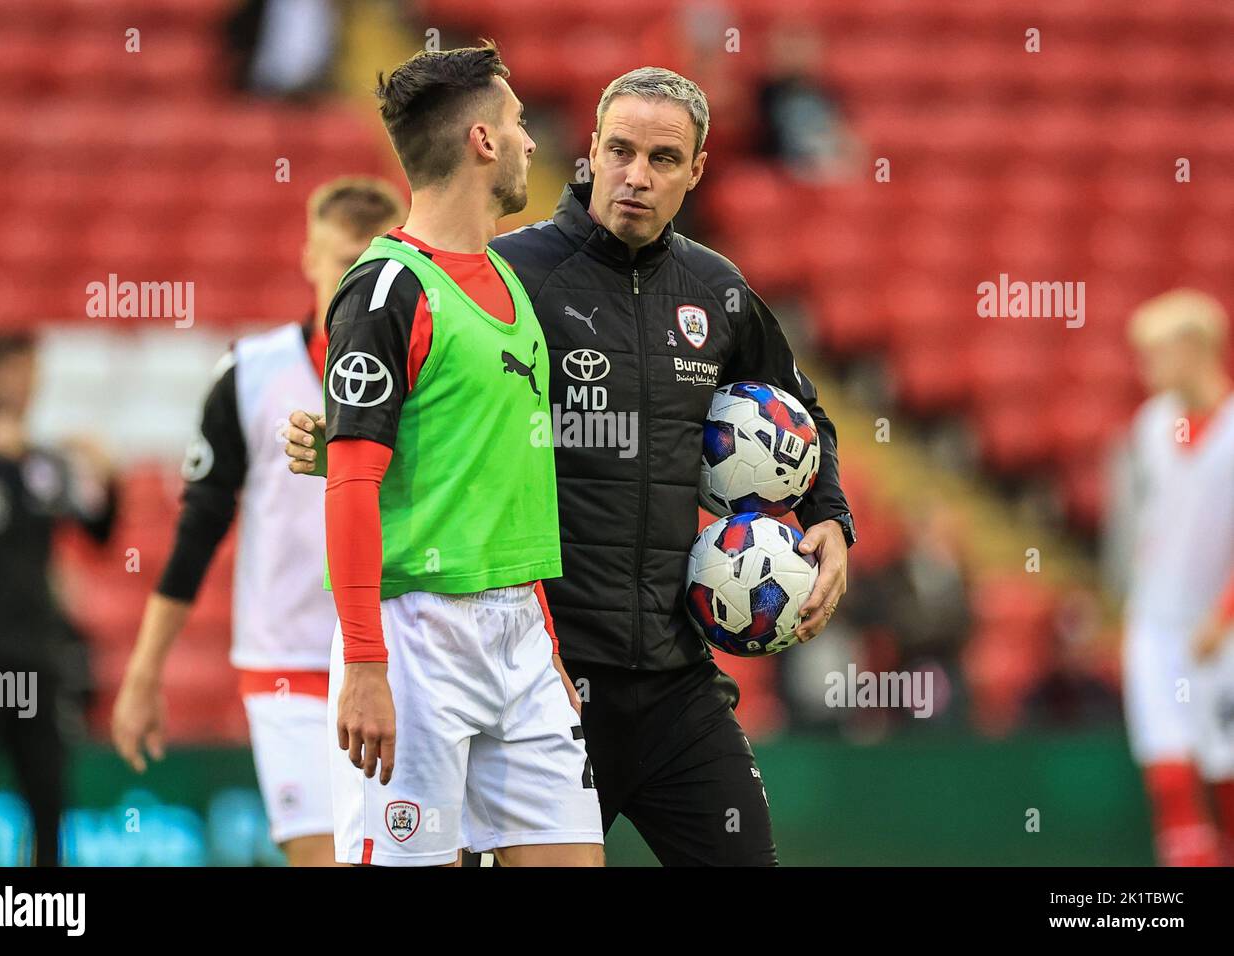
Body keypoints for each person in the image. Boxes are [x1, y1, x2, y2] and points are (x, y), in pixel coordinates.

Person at [288, 66, 855, 866]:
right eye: (619, 150)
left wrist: (828, 513)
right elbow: (421, 409)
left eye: (663, 159)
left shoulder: (718, 293)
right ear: (590, 149)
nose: (635, 175)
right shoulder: (507, 276)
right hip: (543, 660)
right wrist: (341, 444)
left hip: (670, 677)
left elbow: (801, 416)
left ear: (696, 171)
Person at [317, 44, 603, 867]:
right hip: (415, 638)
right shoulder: (383, 291)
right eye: (518, 125)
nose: (531, 143)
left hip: (520, 628)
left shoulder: (509, 279)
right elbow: (351, 485)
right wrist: (365, 663)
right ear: (482, 141)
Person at [111, 177, 405, 867]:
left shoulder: (433, 375)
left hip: (404, 659)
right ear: (308, 257)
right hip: (289, 666)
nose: (358, 283)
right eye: (342, 263)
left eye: (377, 265)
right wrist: (146, 671)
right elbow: (199, 530)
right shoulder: (250, 373)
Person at [0, 331, 118, 866]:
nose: (24, 386)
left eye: (31, 375)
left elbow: (98, 531)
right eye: (14, 373)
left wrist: (109, 478)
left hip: (37, 656)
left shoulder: (43, 464)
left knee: (48, 799)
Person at [1113, 289, 1234, 866]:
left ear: (1195, 347)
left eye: (1157, 352)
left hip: (1222, 626)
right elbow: (1144, 519)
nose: (1147, 367)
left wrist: (1224, 615)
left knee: (1225, 763)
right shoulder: (1152, 426)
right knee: (1168, 764)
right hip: (1157, 621)